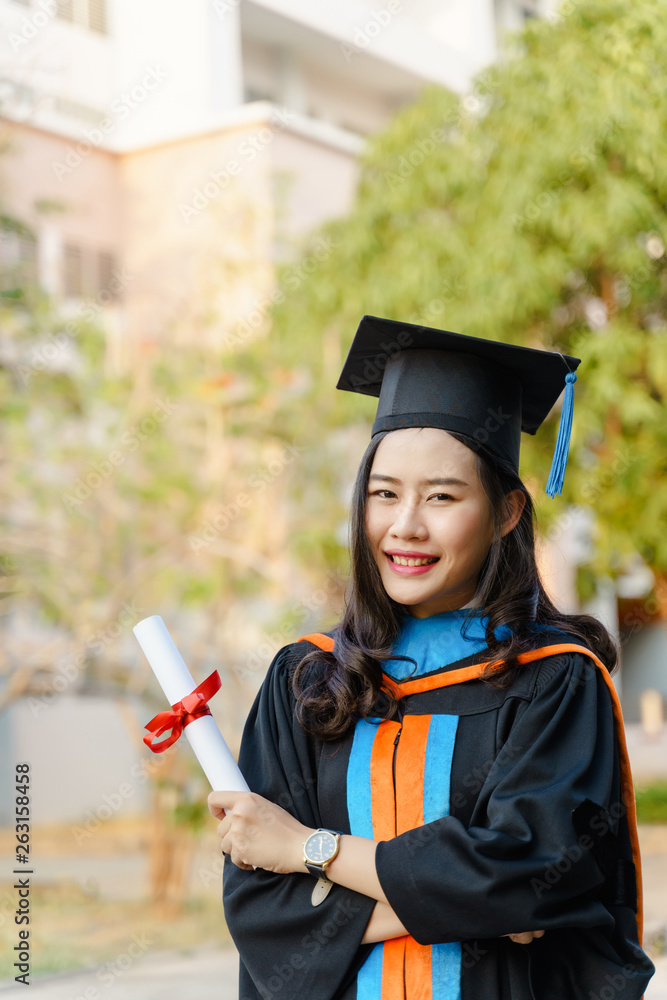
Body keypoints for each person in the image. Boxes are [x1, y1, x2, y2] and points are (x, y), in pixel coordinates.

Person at [208, 316, 655, 1000]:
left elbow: (525, 872)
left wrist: (310, 849)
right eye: (383, 493)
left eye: (441, 497)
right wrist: (465, 905)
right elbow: (261, 908)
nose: (404, 525)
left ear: (506, 512)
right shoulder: (307, 680)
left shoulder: (553, 679)